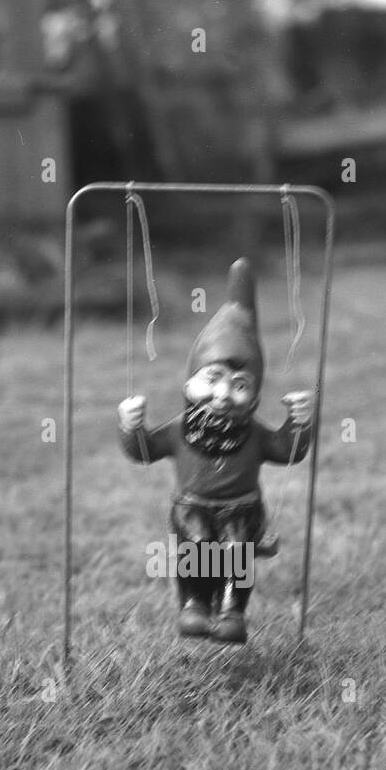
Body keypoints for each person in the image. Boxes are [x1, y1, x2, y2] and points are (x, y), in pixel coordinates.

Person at [118, 258, 314, 644]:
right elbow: (144, 450)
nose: (224, 395)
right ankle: (194, 605)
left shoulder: (254, 434)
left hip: (241, 507)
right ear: (190, 382)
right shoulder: (178, 430)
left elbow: (287, 451)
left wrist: (299, 423)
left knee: (237, 552)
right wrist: (131, 427)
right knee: (197, 545)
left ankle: (231, 611)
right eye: (213, 380)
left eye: (239, 385)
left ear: (255, 393)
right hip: (192, 505)